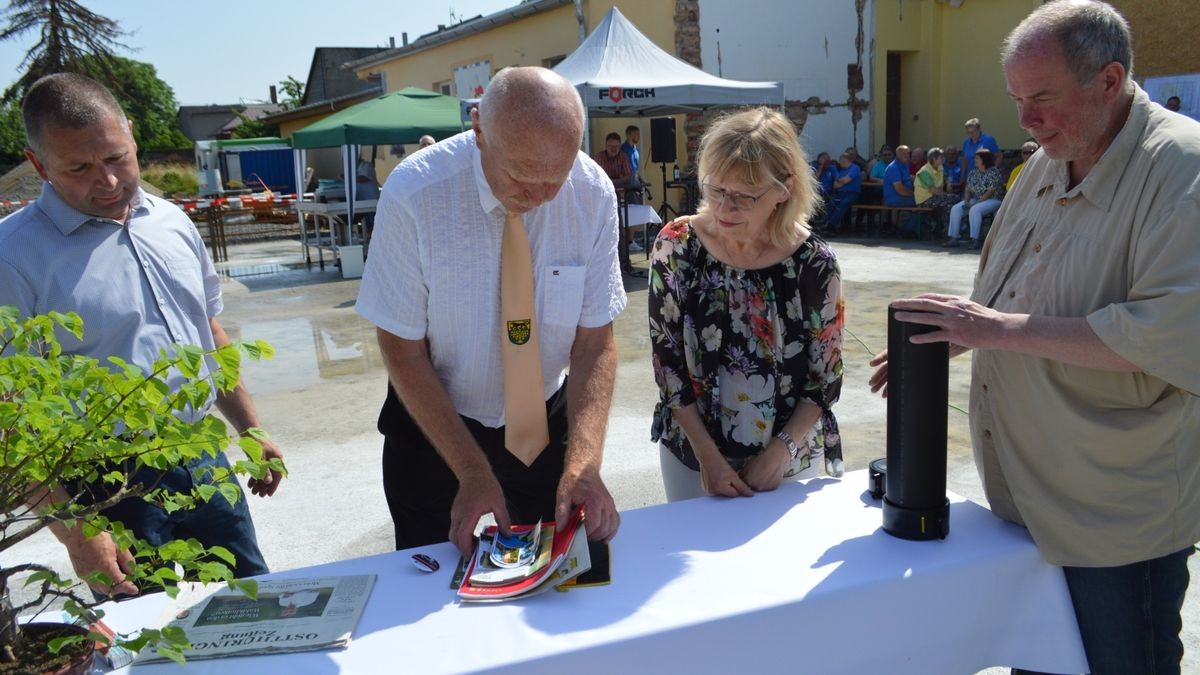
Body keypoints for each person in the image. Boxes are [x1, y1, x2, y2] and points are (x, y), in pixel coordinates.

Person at [870, 2, 1200, 672]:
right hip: (1027, 503)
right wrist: (961, 328)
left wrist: (996, 328)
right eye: (1017, 99)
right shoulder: (1054, 155)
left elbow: (1168, 335)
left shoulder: (1181, 171)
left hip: (1112, 522)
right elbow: (1015, 281)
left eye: (1043, 98)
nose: (1025, 121)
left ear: (1110, 81)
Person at [0, 73, 284, 595]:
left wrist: (250, 428)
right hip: (101, 481)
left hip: (200, 453)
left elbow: (207, 330)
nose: (107, 182)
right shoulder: (13, 259)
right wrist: (75, 530)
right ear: (38, 165)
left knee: (251, 604)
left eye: (116, 158)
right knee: (146, 637)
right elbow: (7, 414)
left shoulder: (171, 221)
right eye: (79, 168)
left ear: (131, 135)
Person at [355, 67, 624, 557]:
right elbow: (402, 351)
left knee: (565, 583)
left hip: (543, 425)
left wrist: (584, 464)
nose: (540, 196)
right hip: (435, 429)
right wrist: (474, 473)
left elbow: (594, 344)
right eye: (522, 177)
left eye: (554, 180)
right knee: (437, 594)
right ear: (478, 130)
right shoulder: (416, 193)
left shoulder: (592, 192)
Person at [649, 107, 844, 502]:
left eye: (742, 197)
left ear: (784, 190)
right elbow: (666, 362)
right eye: (715, 190)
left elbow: (825, 377)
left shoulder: (814, 264)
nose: (723, 209)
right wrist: (708, 457)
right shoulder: (676, 246)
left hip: (785, 462)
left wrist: (780, 452)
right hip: (693, 456)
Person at [593, 131, 636, 274]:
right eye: (610, 146)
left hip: (617, 196)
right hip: (600, 199)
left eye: (616, 146)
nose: (613, 149)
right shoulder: (599, 157)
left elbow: (629, 177)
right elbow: (598, 179)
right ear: (605, 145)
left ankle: (623, 262)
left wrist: (610, 181)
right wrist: (617, 180)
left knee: (620, 230)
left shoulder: (623, 156)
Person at [942, 148, 1002, 249]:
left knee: (975, 209)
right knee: (956, 208)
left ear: (984, 159)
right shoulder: (974, 172)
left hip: (993, 199)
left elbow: (990, 191)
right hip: (977, 199)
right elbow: (968, 188)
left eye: (977, 158)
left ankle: (975, 240)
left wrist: (975, 203)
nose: (974, 160)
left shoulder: (993, 172)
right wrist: (966, 201)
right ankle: (954, 238)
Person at [824, 152, 862, 235]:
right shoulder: (842, 171)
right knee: (831, 204)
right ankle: (829, 226)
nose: (839, 163)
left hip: (852, 193)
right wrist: (842, 181)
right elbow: (835, 185)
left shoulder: (855, 168)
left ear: (844, 160)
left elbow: (846, 180)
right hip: (841, 193)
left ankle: (830, 225)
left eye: (840, 161)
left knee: (843, 204)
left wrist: (841, 181)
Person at [961, 117, 1000, 190]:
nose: (971, 135)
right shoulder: (966, 142)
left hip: (985, 179)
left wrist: (992, 171)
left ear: (979, 129)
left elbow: (999, 156)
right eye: (968, 132)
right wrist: (962, 177)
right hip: (970, 178)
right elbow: (964, 160)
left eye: (973, 132)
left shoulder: (988, 140)